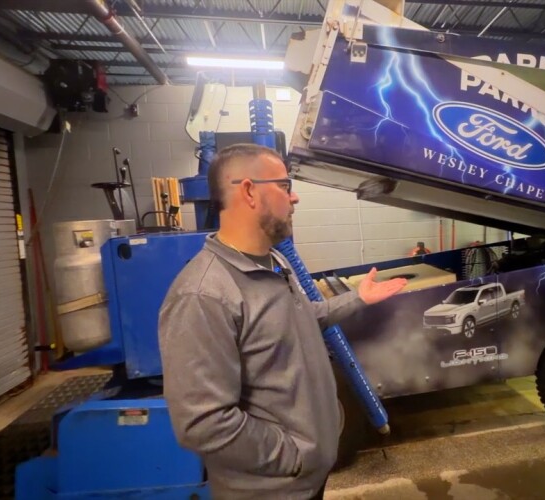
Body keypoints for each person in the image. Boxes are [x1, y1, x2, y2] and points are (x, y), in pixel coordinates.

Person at [158, 143, 407, 500]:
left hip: (307, 480)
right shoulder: (203, 295)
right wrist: (295, 456)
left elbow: (303, 318)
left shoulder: (274, 262)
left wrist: (359, 298)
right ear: (248, 191)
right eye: (285, 185)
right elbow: (203, 424)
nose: (295, 199)